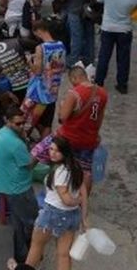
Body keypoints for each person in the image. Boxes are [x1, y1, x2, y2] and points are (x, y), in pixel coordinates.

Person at [33, 65, 107, 197]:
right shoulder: (102, 93)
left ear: (74, 77)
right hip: (88, 140)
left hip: (67, 137)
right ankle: (83, 201)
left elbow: (62, 118)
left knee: (39, 151)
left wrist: (62, 106)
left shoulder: (74, 93)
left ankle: (24, 177)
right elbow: (99, 118)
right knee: (85, 171)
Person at [19, 138, 88, 270]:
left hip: (52, 213)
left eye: (57, 151)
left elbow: (66, 200)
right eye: (51, 149)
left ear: (65, 152)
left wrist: (76, 200)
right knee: (63, 255)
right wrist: (84, 218)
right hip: (72, 215)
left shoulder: (60, 172)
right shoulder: (76, 167)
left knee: (36, 247)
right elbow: (84, 193)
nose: (53, 153)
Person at [0, 106, 39, 270]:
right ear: (7, 121)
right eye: (18, 124)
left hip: (8, 186)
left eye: (23, 123)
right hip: (20, 189)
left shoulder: (2, 133)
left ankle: (21, 256)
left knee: (19, 224)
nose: (21, 127)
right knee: (31, 223)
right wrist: (39, 154)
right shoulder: (15, 144)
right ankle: (30, 256)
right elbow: (29, 164)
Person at [21, 20, 67, 138]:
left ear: (38, 31)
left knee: (28, 120)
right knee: (47, 123)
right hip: (53, 90)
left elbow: (37, 71)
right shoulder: (61, 45)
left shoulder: (41, 48)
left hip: (38, 92)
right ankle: (44, 148)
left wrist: (29, 61)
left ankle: (25, 142)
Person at [95, 0, 137, 93]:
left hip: (107, 28)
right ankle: (122, 84)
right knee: (123, 58)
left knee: (104, 55)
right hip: (124, 30)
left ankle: (99, 81)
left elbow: (97, 1)